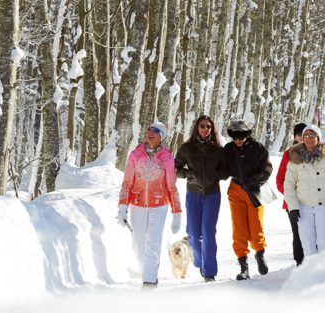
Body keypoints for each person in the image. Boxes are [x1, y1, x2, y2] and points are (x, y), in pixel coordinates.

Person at [117, 122, 182, 288]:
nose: (150, 133)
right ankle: (146, 270)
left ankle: (149, 280)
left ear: (162, 136)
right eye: (149, 130)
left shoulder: (166, 157)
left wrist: (177, 213)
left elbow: (171, 186)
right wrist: (122, 208)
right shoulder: (135, 154)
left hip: (159, 205)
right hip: (137, 204)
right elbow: (127, 183)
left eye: (155, 130)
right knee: (139, 243)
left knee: (153, 242)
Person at [174, 115, 227, 282]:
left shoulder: (218, 150)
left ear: (212, 129)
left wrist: (216, 175)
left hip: (212, 194)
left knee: (208, 232)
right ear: (197, 127)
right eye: (202, 126)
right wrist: (188, 173)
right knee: (193, 234)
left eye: (208, 127)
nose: (205, 129)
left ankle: (209, 272)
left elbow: (226, 171)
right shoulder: (187, 148)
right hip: (193, 193)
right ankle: (198, 260)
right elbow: (174, 169)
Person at [283, 124, 325, 257]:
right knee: (308, 244)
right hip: (303, 208)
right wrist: (293, 208)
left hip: (323, 207)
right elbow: (289, 186)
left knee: (324, 243)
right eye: (306, 136)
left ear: (318, 138)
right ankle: (311, 270)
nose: (309, 139)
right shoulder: (294, 160)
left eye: (312, 135)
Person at [223, 120, 272, 280]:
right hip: (235, 190)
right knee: (239, 228)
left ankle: (260, 253)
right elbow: (221, 169)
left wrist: (253, 181)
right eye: (235, 137)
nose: (238, 140)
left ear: (247, 135)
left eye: (241, 136)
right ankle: (243, 267)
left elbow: (267, 169)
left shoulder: (258, 149)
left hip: (254, 190)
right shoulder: (228, 149)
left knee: (256, 225)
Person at [276, 122, 307, 266]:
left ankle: (312, 262)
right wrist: (290, 194)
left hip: (311, 201)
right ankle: (300, 264)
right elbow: (280, 179)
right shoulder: (288, 154)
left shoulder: (314, 152)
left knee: (312, 233)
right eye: (299, 135)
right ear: (295, 136)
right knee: (298, 234)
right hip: (292, 203)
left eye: (305, 134)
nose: (302, 138)